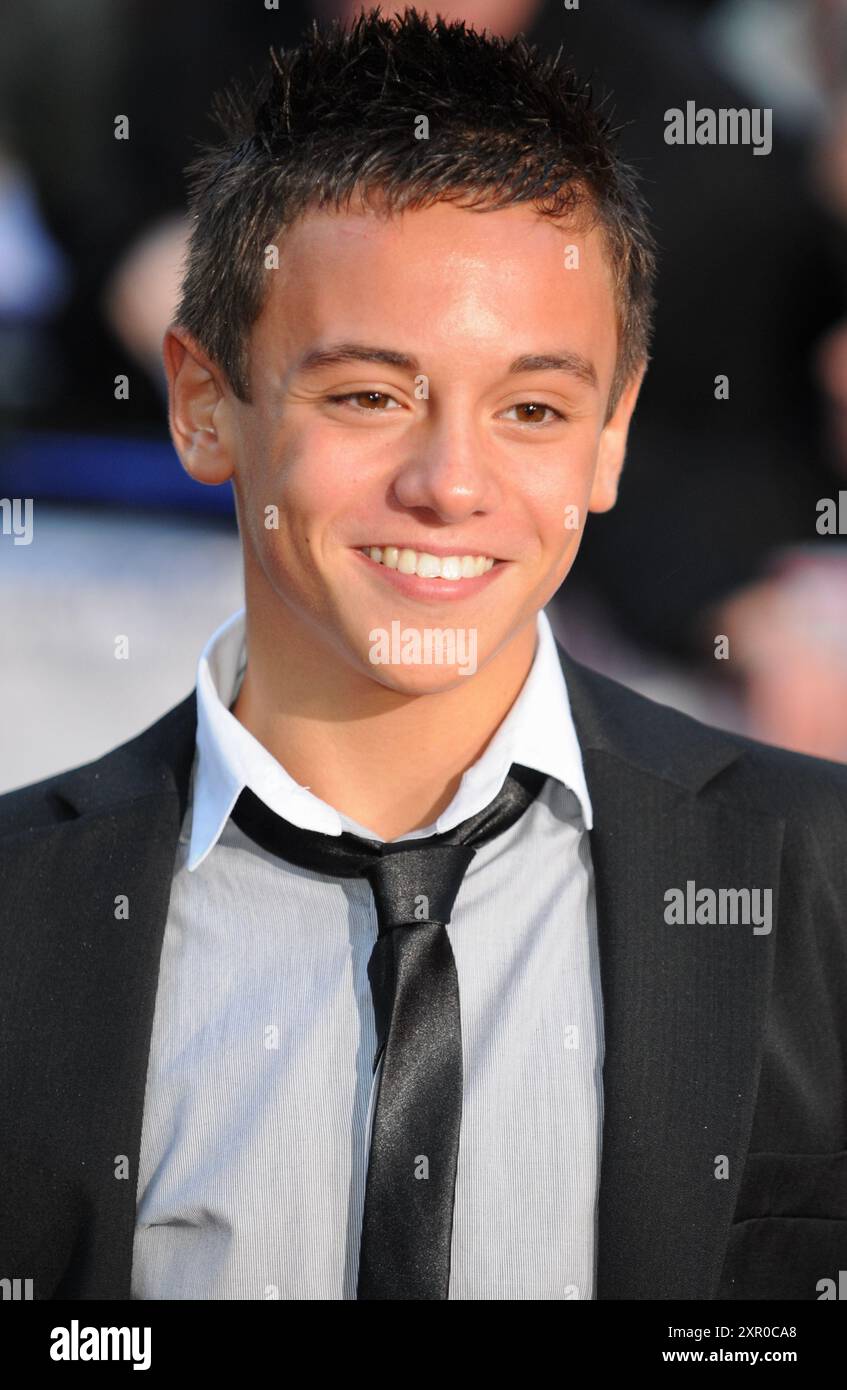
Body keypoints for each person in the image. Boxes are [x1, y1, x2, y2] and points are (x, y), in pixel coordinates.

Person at [1, 7, 845, 1303]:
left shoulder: (822, 886)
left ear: (606, 432)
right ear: (201, 402)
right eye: (368, 394)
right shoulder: (28, 916)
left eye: (532, 408)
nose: (452, 483)